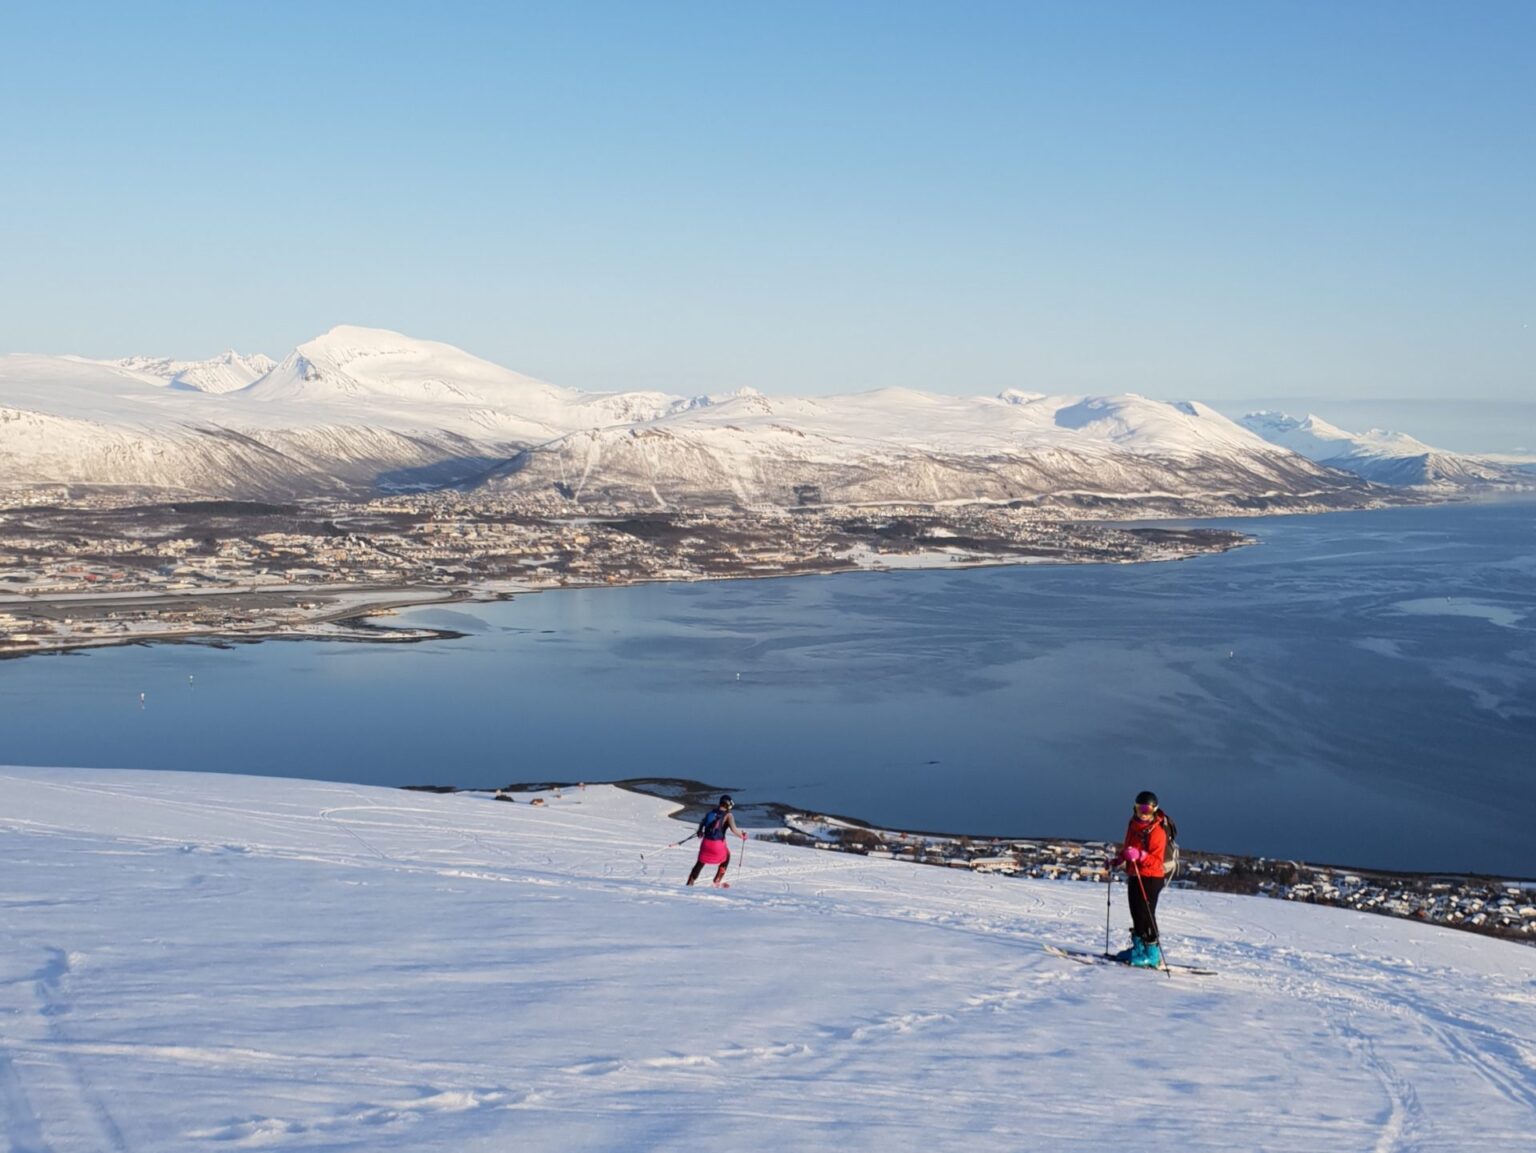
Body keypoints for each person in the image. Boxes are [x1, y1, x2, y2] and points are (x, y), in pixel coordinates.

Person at [1108, 790, 1177, 968]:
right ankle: (1138, 949)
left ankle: (1152, 954)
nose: (1143, 813)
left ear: (1154, 809)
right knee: (1136, 913)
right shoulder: (1133, 824)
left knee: (1146, 914)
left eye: (1147, 809)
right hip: (1135, 874)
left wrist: (1140, 855)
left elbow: (1156, 862)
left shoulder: (1157, 832)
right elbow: (1127, 848)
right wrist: (1119, 860)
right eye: (1140, 808)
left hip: (1152, 878)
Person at [687, 795, 747, 887]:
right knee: (727, 856)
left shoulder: (710, 813)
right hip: (718, 845)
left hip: (706, 843)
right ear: (728, 805)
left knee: (701, 861)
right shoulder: (728, 815)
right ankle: (717, 880)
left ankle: (691, 881)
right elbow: (734, 830)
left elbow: (702, 824)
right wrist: (743, 836)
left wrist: (700, 832)